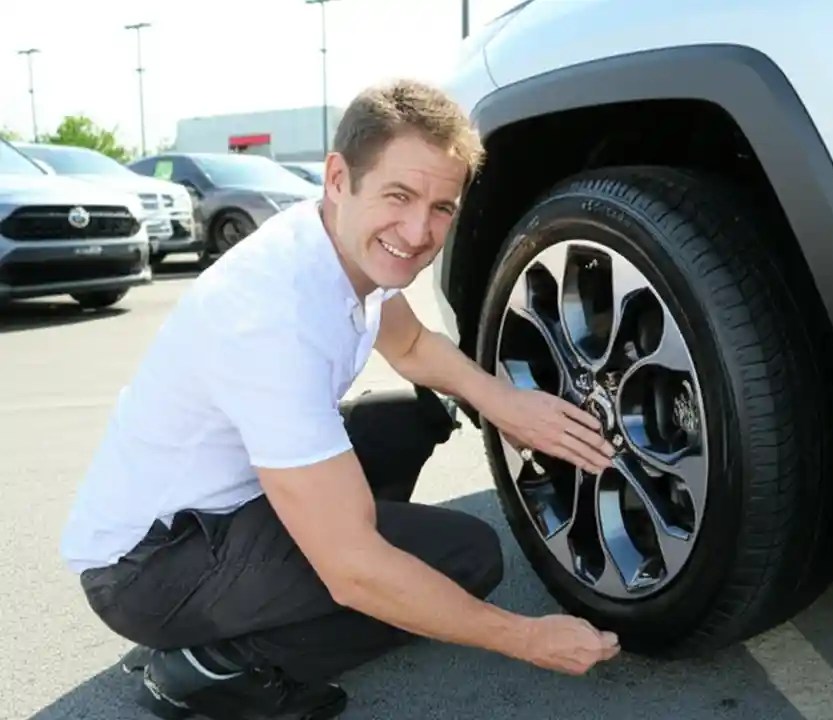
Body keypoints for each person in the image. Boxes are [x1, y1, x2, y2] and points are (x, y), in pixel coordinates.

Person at [59, 78, 622, 720]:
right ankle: (207, 667)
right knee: (467, 557)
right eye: (400, 196)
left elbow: (410, 346)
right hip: (146, 567)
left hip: (212, 503)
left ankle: (267, 596)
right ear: (338, 177)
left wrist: (503, 402)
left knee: (403, 423)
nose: (418, 232)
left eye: (443, 207)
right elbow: (351, 569)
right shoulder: (274, 318)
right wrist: (525, 638)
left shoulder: (336, 241)